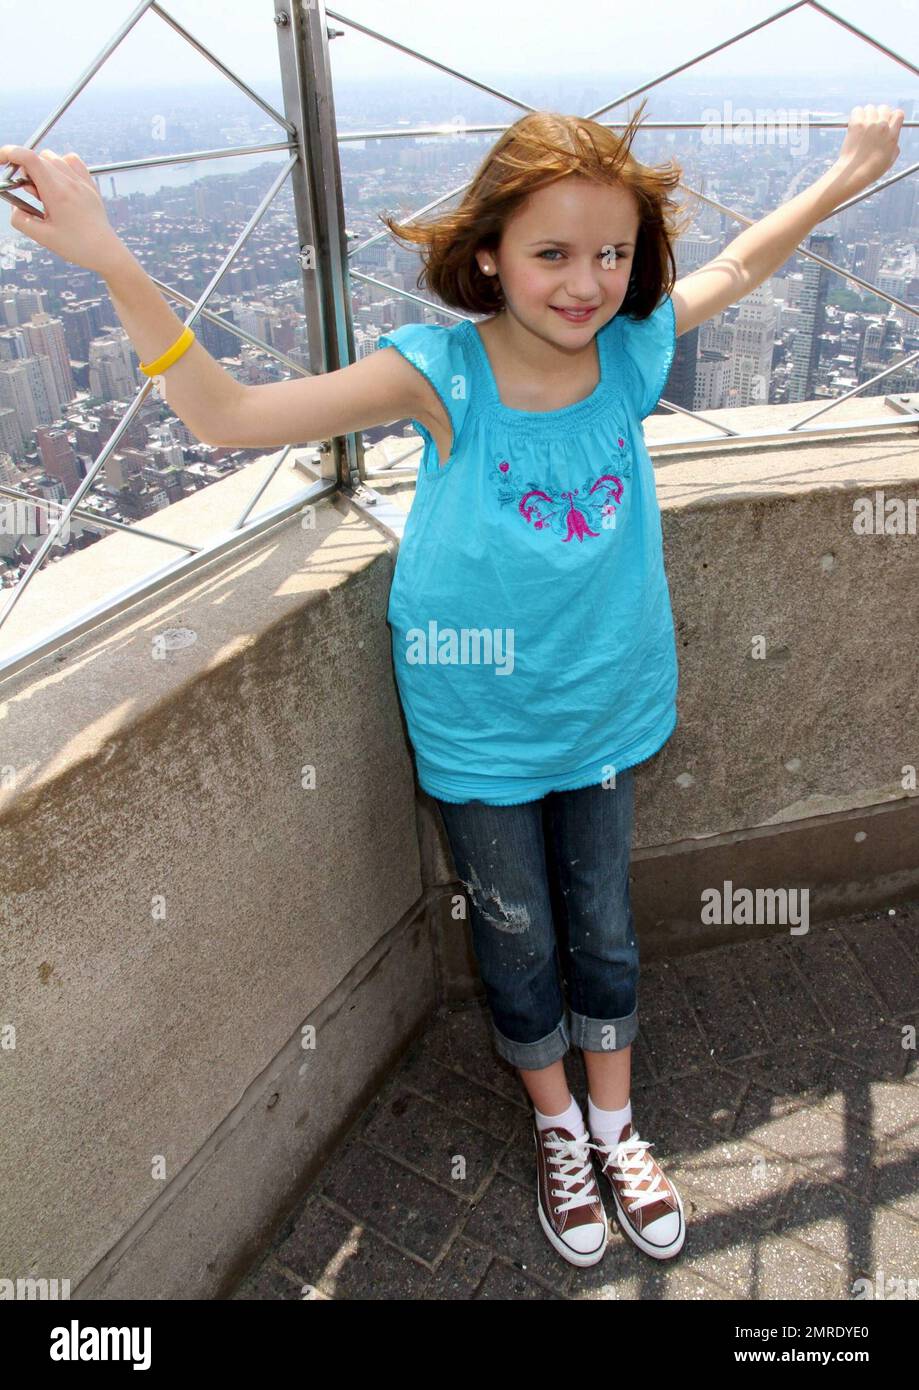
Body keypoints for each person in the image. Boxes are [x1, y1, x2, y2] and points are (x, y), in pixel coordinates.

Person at [0, 100, 902, 1271]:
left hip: (605, 712)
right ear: (487, 255)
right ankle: (558, 1125)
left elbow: (742, 257)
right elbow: (225, 417)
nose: (587, 283)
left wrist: (842, 174)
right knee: (517, 938)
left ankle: (617, 1125)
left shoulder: (630, 354)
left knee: (607, 925)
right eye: (553, 253)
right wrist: (112, 257)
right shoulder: (441, 374)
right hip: (478, 725)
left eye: (613, 253)